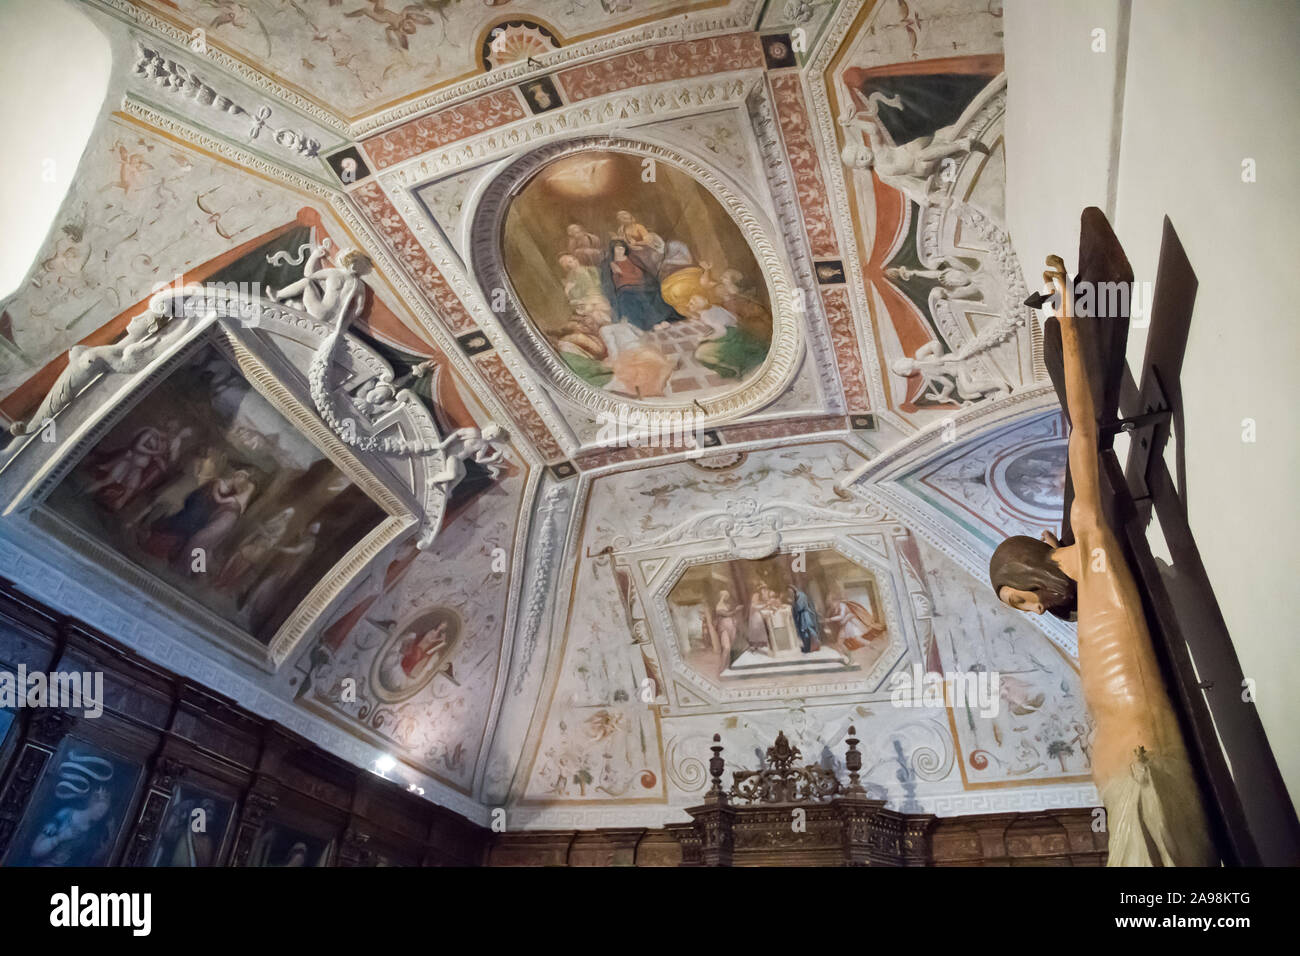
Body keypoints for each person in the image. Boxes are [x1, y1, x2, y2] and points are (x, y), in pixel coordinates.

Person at [988, 254, 1214, 867]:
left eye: (1021, 597)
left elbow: (1083, 431)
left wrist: (1067, 316)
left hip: (1144, 767)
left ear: (1028, 566)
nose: (1034, 610)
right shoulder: (1084, 597)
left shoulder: (1090, 546)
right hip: (1126, 778)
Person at [788, 586, 820, 653]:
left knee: (809, 630)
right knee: (804, 632)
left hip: (805, 615)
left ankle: (814, 646)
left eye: (790, 592)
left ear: (793, 590)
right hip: (802, 616)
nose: (790, 593)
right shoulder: (796, 596)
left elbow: (800, 607)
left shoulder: (801, 595)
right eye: (788, 592)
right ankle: (808, 647)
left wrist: (793, 603)